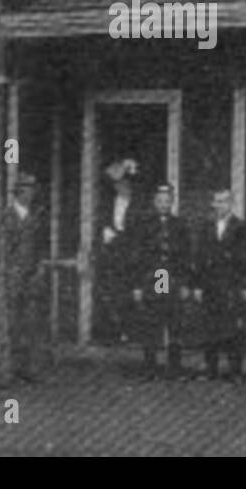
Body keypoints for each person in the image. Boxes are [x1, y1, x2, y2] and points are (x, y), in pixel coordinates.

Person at [126, 183, 191, 379]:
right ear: (155, 202)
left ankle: (175, 368)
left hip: (172, 278)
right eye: (160, 201)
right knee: (151, 324)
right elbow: (136, 256)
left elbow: (186, 256)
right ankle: (150, 368)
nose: (164, 204)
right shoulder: (144, 225)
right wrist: (137, 285)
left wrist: (185, 283)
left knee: (174, 324)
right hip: (153, 277)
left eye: (168, 201)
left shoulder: (180, 225)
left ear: (172, 202)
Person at [191, 188, 246, 381]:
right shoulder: (206, 226)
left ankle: (235, 371)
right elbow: (200, 258)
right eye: (217, 202)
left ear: (231, 203)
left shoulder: (242, 227)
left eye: (225, 201)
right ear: (213, 204)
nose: (220, 205)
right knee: (210, 328)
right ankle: (211, 370)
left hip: (232, 286)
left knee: (234, 329)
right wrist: (197, 285)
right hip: (211, 285)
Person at [2, 171, 47, 381]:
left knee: (32, 323)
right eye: (26, 189)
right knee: (13, 323)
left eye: (32, 189)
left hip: (32, 276)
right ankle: (11, 368)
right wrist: (9, 271)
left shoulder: (36, 215)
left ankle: (31, 369)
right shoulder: (6, 217)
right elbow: (2, 249)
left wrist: (39, 268)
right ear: (17, 192)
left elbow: (40, 247)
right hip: (13, 276)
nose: (30, 193)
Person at [95, 158, 140, 343]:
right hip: (112, 255)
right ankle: (111, 333)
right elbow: (102, 223)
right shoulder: (109, 203)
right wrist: (105, 230)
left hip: (131, 255)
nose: (121, 186)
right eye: (118, 183)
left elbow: (138, 232)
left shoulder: (138, 205)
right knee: (110, 293)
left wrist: (119, 237)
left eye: (125, 182)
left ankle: (130, 332)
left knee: (130, 295)